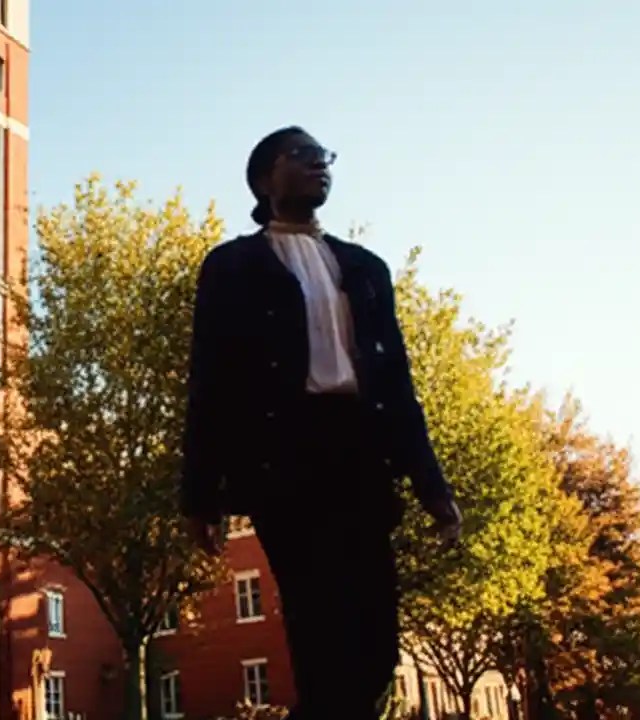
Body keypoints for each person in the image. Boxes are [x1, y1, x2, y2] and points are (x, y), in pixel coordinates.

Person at [180, 126, 462, 719]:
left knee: (377, 638)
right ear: (264, 179)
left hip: (361, 456)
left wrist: (431, 485)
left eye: (324, 156)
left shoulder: (366, 269)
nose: (320, 165)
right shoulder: (233, 266)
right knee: (318, 626)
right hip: (286, 462)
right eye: (303, 155)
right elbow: (210, 382)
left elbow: (398, 386)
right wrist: (201, 495)